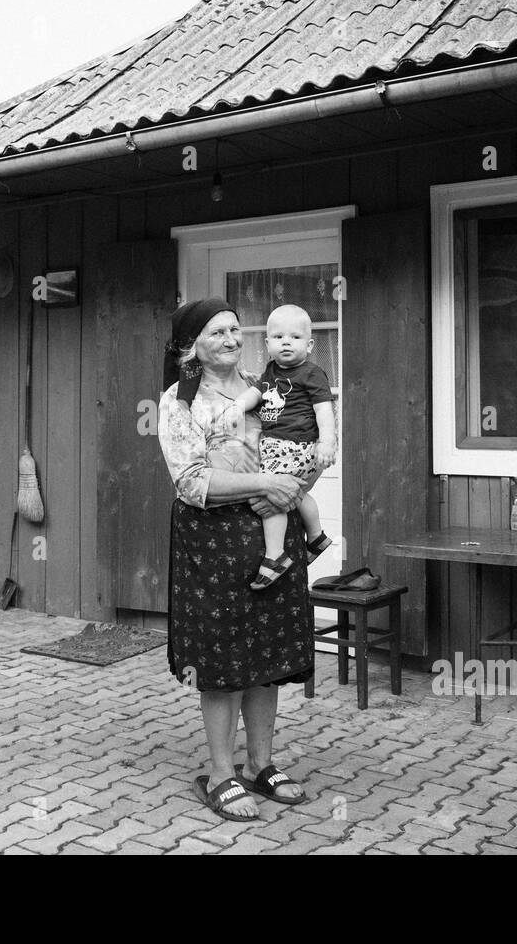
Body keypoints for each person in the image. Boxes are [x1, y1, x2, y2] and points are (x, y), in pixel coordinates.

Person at [157, 296, 314, 821]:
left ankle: (259, 764)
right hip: (213, 544)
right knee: (223, 660)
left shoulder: (267, 384)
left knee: (266, 656)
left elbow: (305, 442)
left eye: (233, 329)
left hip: (274, 532)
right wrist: (265, 483)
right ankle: (222, 772)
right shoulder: (179, 402)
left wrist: (291, 488)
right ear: (190, 347)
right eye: (216, 332)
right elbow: (192, 481)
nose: (229, 339)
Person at [227, 304, 336, 589]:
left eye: (295, 337)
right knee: (296, 493)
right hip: (276, 446)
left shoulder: (312, 373)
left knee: (272, 494)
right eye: (278, 337)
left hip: (297, 445)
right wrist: (238, 405)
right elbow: (257, 392)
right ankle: (316, 536)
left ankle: (275, 556)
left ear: (309, 345)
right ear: (267, 344)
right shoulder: (271, 371)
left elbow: (324, 411)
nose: (286, 342)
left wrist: (327, 442)